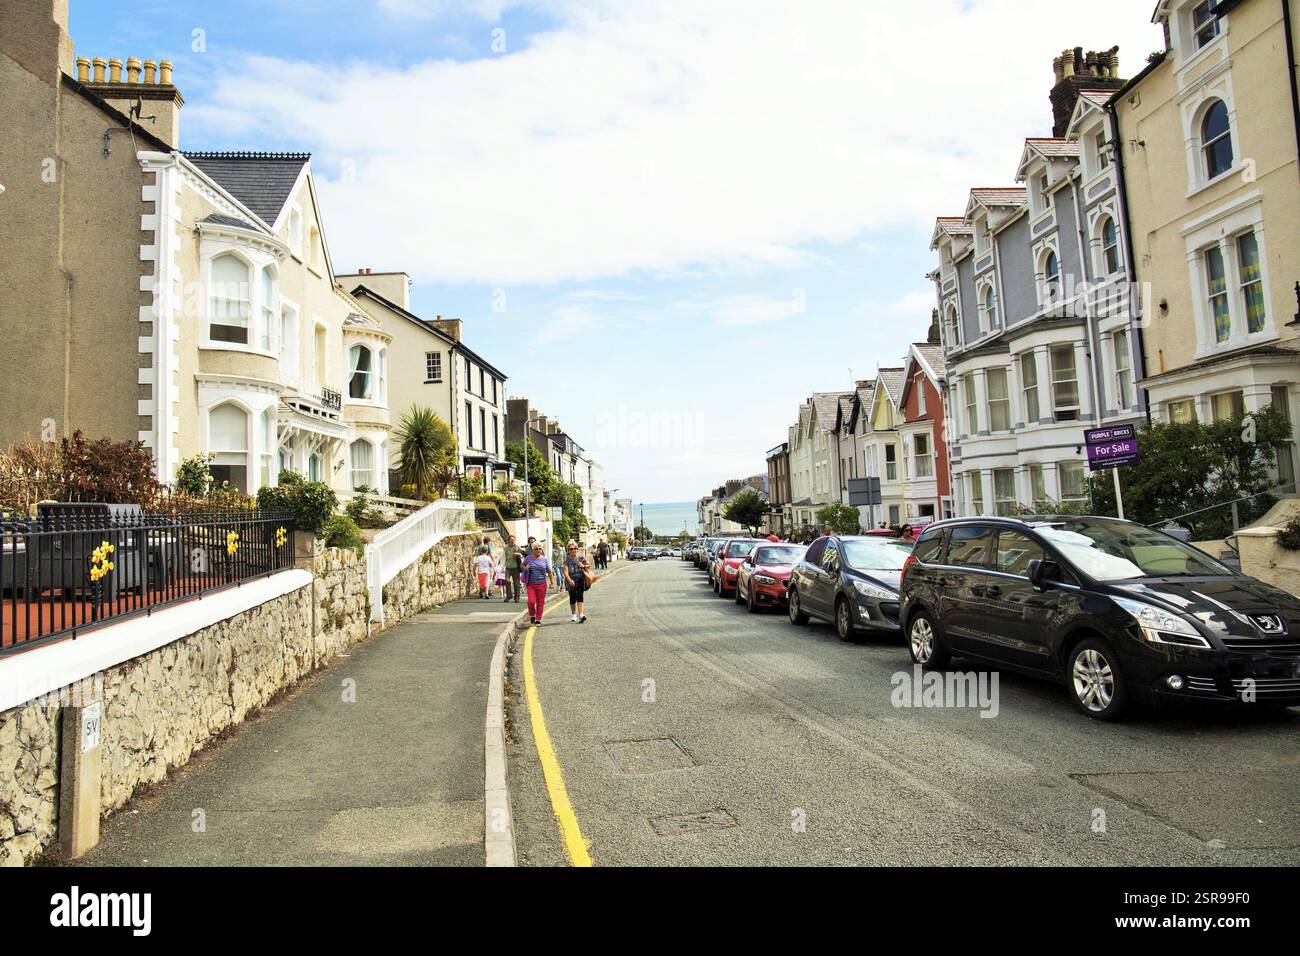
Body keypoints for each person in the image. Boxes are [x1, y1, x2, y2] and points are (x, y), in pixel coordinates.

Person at [522, 540, 553, 625]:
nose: (538, 550)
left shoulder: (545, 560)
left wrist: (552, 582)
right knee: (531, 602)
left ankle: (538, 618)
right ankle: (532, 615)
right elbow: (522, 565)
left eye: (540, 548)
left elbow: (549, 571)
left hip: (542, 584)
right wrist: (526, 567)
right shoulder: (528, 558)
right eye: (536, 549)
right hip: (531, 584)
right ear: (533, 550)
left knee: (540, 602)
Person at [563, 540, 591, 623]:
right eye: (571, 549)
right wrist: (569, 580)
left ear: (577, 549)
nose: (573, 550)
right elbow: (565, 571)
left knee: (580, 596)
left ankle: (581, 615)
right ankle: (573, 615)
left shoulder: (581, 558)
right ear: (568, 550)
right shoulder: (566, 560)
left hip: (580, 579)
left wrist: (583, 565)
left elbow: (589, 565)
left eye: (575, 548)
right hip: (570, 580)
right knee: (572, 598)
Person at [503, 535, 523, 603]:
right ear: (508, 540)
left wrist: (518, 554)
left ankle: (517, 597)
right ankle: (509, 595)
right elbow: (503, 557)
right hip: (508, 567)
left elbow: (522, 555)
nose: (512, 541)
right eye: (511, 540)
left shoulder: (517, 547)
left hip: (516, 567)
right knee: (507, 580)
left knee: (516, 583)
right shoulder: (505, 548)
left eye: (514, 540)